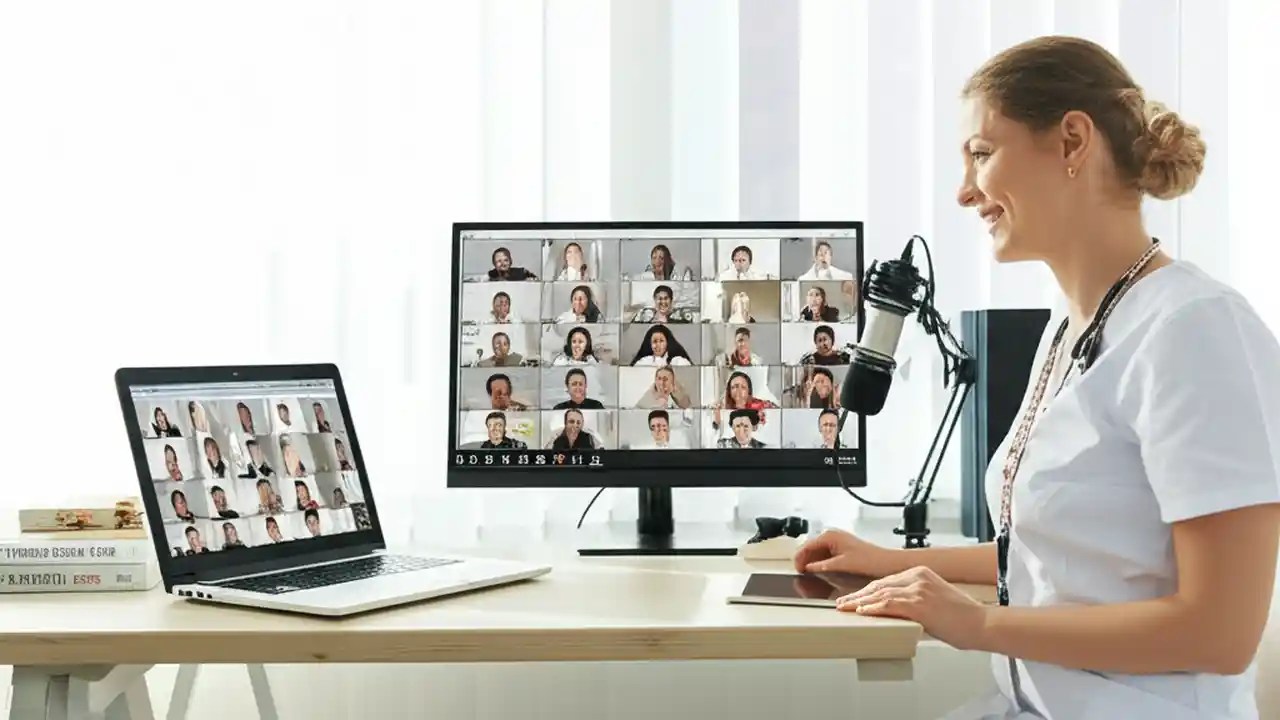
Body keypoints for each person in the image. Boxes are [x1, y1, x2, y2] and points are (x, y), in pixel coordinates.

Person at [792, 36, 1280, 720]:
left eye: (982, 154)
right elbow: (1062, 558)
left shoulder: (1198, 330)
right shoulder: (1070, 327)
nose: (964, 192)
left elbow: (1220, 632)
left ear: (1072, 141)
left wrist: (977, 625)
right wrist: (889, 561)